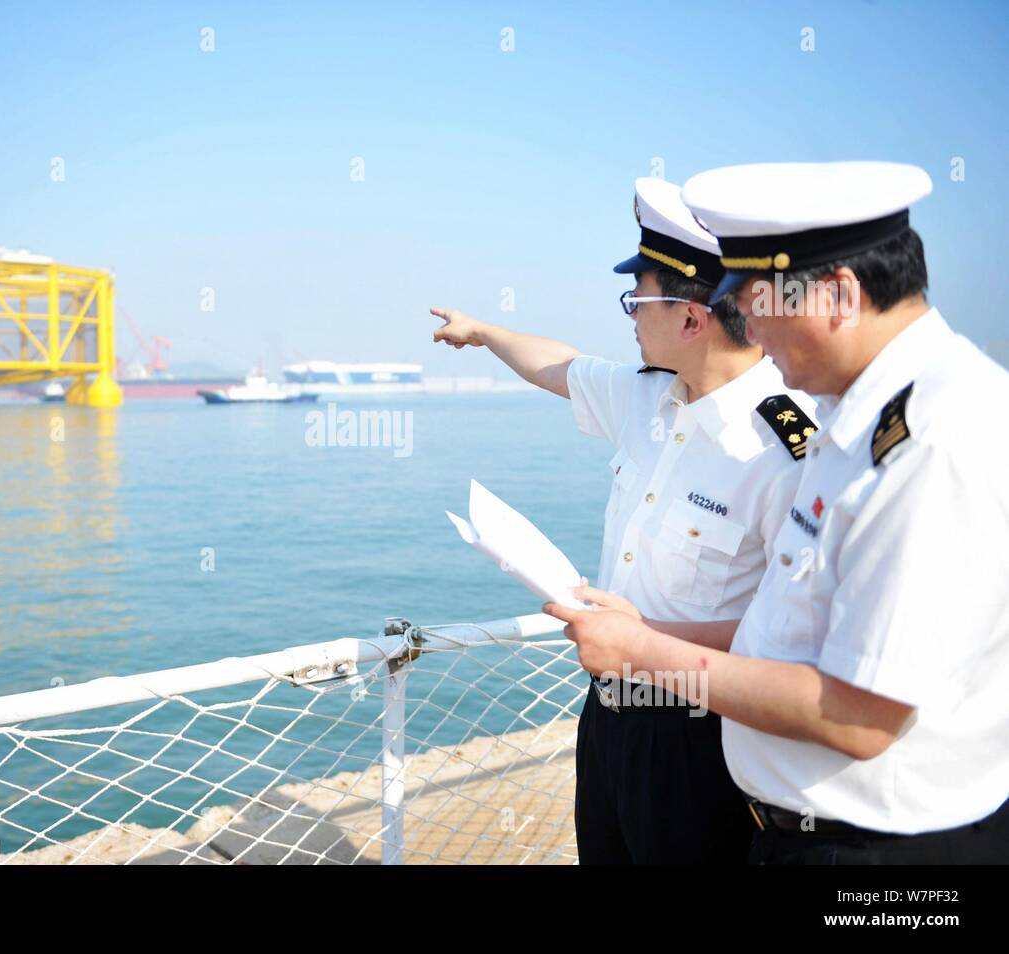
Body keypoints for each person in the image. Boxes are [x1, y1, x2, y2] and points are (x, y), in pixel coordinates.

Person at [545, 161, 1009, 863]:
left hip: (879, 855)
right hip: (792, 833)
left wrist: (640, 650)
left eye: (755, 299)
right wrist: (648, 630)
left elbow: (860, 717)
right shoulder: (854, 417)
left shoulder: (933, 438)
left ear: (838, 295)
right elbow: (795, 631)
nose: (748, 327)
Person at [431, 177, 816, 863]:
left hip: (702, 732)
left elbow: (794, 631)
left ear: (694, 318)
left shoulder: (785, 451)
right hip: (607, 718)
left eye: (637, 300)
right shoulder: (647, 396)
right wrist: (485, 331)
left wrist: (644, 640)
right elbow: (558, 365)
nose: (629, 316)